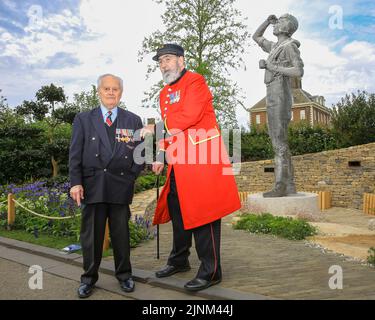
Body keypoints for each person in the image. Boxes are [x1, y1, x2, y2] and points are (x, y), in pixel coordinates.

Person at [141, 44, 241, 291]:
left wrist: (156, 129)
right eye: (160, 61)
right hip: (178, 163)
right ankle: (179, 260)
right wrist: (161, 155)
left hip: (201, 160)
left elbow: (190, 115)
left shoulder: (196, 81)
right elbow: (171, 131)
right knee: (177, 211)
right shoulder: (164, 93)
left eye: (167, 59)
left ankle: (212, 270)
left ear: (181, 61)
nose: (163, 64)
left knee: (204, 214)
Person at [69, 74, 144, 298]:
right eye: (106, 89)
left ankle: (124, 275)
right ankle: (88, 279)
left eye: (115, 89)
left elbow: (140, 155)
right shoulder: (83, 119)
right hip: (93, 185)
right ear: (99, 91)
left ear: (121, 93)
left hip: (120, 184)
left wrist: (131, 176)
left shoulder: (133, 120)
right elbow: (74, 154)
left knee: (121, 234)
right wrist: (76, 183)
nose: (111, 92)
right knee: (91, 236)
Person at [253, 14, 304, 197]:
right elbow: (256, 37)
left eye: (280, 21)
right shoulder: (276, 47)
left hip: (280, 94)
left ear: (287, 27)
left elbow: (298, 70)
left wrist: (271, 67)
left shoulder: (289, 46)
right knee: (280, 141)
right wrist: (267, 21)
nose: (277, 23)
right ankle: (289, 184)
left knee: (278, 142)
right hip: (273, 92)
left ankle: (280, 185)